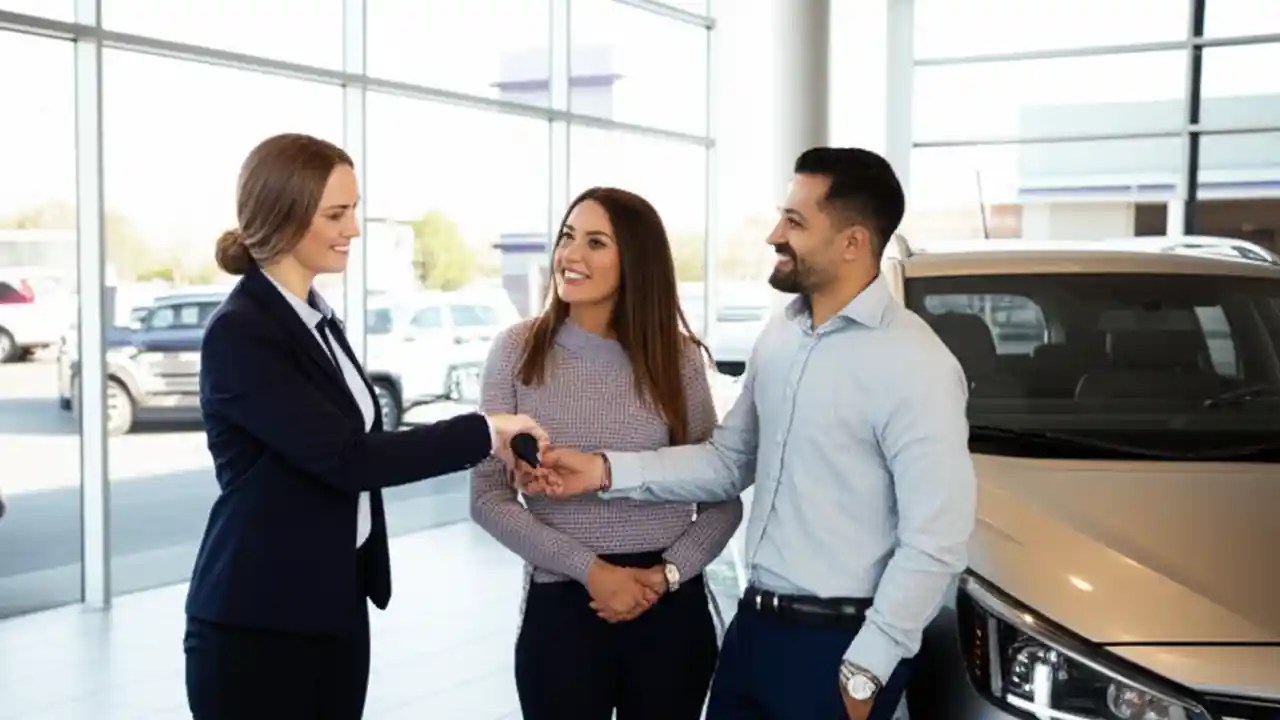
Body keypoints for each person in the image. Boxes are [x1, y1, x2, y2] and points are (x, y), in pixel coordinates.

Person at [524, 148, 977, 720]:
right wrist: (604, 470)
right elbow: (727, 462)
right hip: (753, 632)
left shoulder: (916, 364)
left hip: (839, 646)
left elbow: (937, 539)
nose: (773, 235)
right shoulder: (782, 336)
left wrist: (869, 667)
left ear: (853, 242)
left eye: (795, 221)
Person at [183, 132, 548, 720]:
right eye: (336, 213)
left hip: (332, 601)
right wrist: (484, 432)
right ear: (283, 215)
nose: (353, 228)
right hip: (259, 621)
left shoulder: (316, 320)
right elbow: (347, 457)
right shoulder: (242, 332)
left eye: (353, 209)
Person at [471, 187, 743, 720]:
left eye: (596, 242)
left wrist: (665, 576)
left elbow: (721, 497)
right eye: (568, 237)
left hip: (669, 606)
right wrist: (590, 570)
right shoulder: (515, 351)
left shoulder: (678, 360)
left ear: (635, 262)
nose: (571, 256)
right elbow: (487, 497)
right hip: (563, 608)